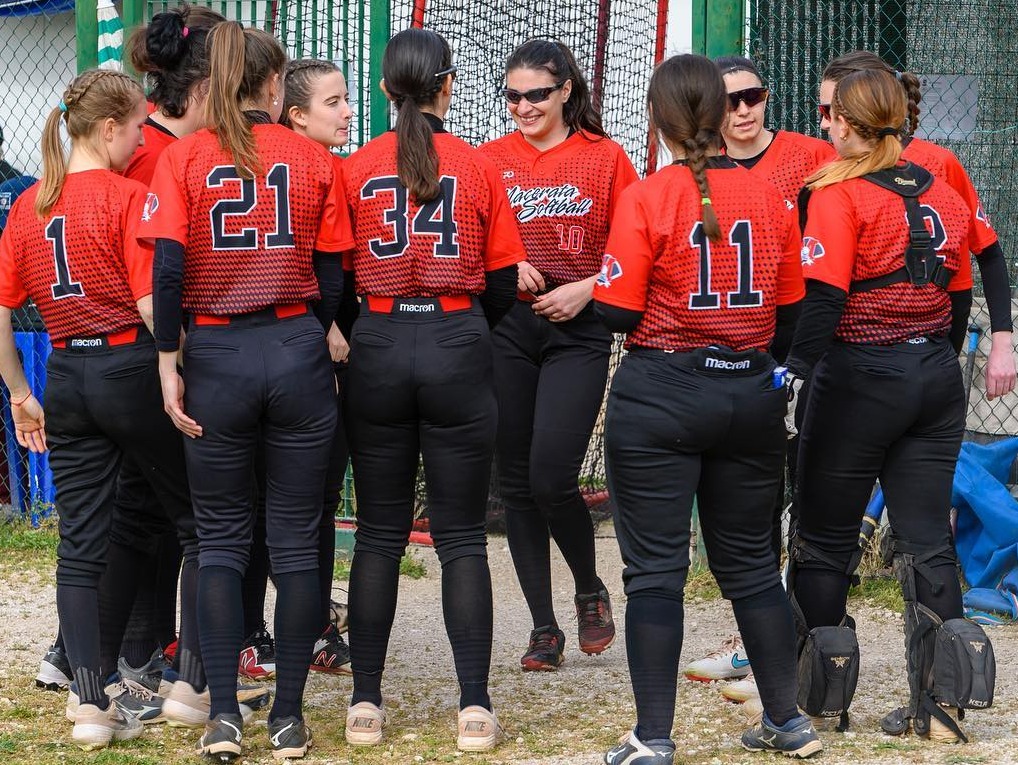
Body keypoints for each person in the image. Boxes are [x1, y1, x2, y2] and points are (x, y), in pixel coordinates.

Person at [593, 54, 821, 763]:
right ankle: (788, 720)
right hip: (748, 391)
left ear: (660, 121)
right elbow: (790, 314)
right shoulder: (772, 194)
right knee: (752, 564)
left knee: (656, 571)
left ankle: (653, 736)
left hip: (662, 391)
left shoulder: (647, 195)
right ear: (723, 117)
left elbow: (616, 309)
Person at [139, 22, 351, 760]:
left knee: (223, 540)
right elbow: (333, 274)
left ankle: (224, 714)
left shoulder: (186, 156)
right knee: (295, 543)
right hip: (293, 347)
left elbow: (167, 272)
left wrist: (171, 360)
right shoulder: (311, 157)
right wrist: (308, 330)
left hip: (217, 351)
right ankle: (288, 714)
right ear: (272, 86)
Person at [785, 67, 997, 744]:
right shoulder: (943, 190)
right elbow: (961, 293)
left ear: (849, 122)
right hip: (933, 374)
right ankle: (941, 708)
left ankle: (816, 703)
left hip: (859, 377)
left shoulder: (837, 192)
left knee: (822, 539)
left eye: (831, 118)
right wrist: (933, 349)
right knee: (929, 539)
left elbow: (823, 301)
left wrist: (794, 373)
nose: (824, 127)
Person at [341, 27, 523, 754]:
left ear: (387, 90)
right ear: (447, 86)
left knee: (380, 536)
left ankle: (364, 705)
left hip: (379, 341)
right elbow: (505, 285)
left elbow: (334, 277)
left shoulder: (355, 165)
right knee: (460, 537)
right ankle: (473, 709)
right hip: (454, 338)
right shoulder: (476, 166)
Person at [0, 68, 192, 749]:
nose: (143, 138)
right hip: (129, 364)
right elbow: (149, 306)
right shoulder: (128, 197)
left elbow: (1, 307)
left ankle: (89, 702)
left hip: (68, 374)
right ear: (109, 128)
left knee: (79, 546)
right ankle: (192, 685)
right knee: (197, 520)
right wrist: (177, 366)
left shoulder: (30, 204)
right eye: (139, 127)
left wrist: (22, 395)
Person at [477, 39, 637, 671]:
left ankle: (589, 587)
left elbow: (635, 249)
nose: (523, 106)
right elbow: (469, 237)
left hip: (579, 326)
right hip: (510, 329)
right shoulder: (490, 160)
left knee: (551, 476)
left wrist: (589, 287)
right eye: (512, 95)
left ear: (566, 89)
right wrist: (505, 263)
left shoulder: (605, 159)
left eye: (536, 94)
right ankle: (544, 628)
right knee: (516, 484)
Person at [683, 53, 833, 701]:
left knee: (805, 489)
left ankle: (795, 644)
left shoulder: (807, 156)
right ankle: (755, 641)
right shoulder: (695, 171)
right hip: (737, 343)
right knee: (752, 499)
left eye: (754, 96)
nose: (743, 110)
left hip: (803, 339)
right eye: (730, 100)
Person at [817, 51, 1015, 395]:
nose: (823, 123)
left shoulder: (937, 162)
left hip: (936, 333)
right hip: (856, 342)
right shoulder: (830, 166)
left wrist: (1002, 343)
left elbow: (989, 252)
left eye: (830, 111)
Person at [280, 57, 356, 675]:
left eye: (347, 99)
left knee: (321, 495)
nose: (347, 112)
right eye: (332, 102)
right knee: (286, 500)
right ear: (296, 114)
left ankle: (313, 621)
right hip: (297, 355)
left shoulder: (339, 171)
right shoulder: (287, 170)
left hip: (340, 351)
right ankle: (279, 625)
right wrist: (322, 326)